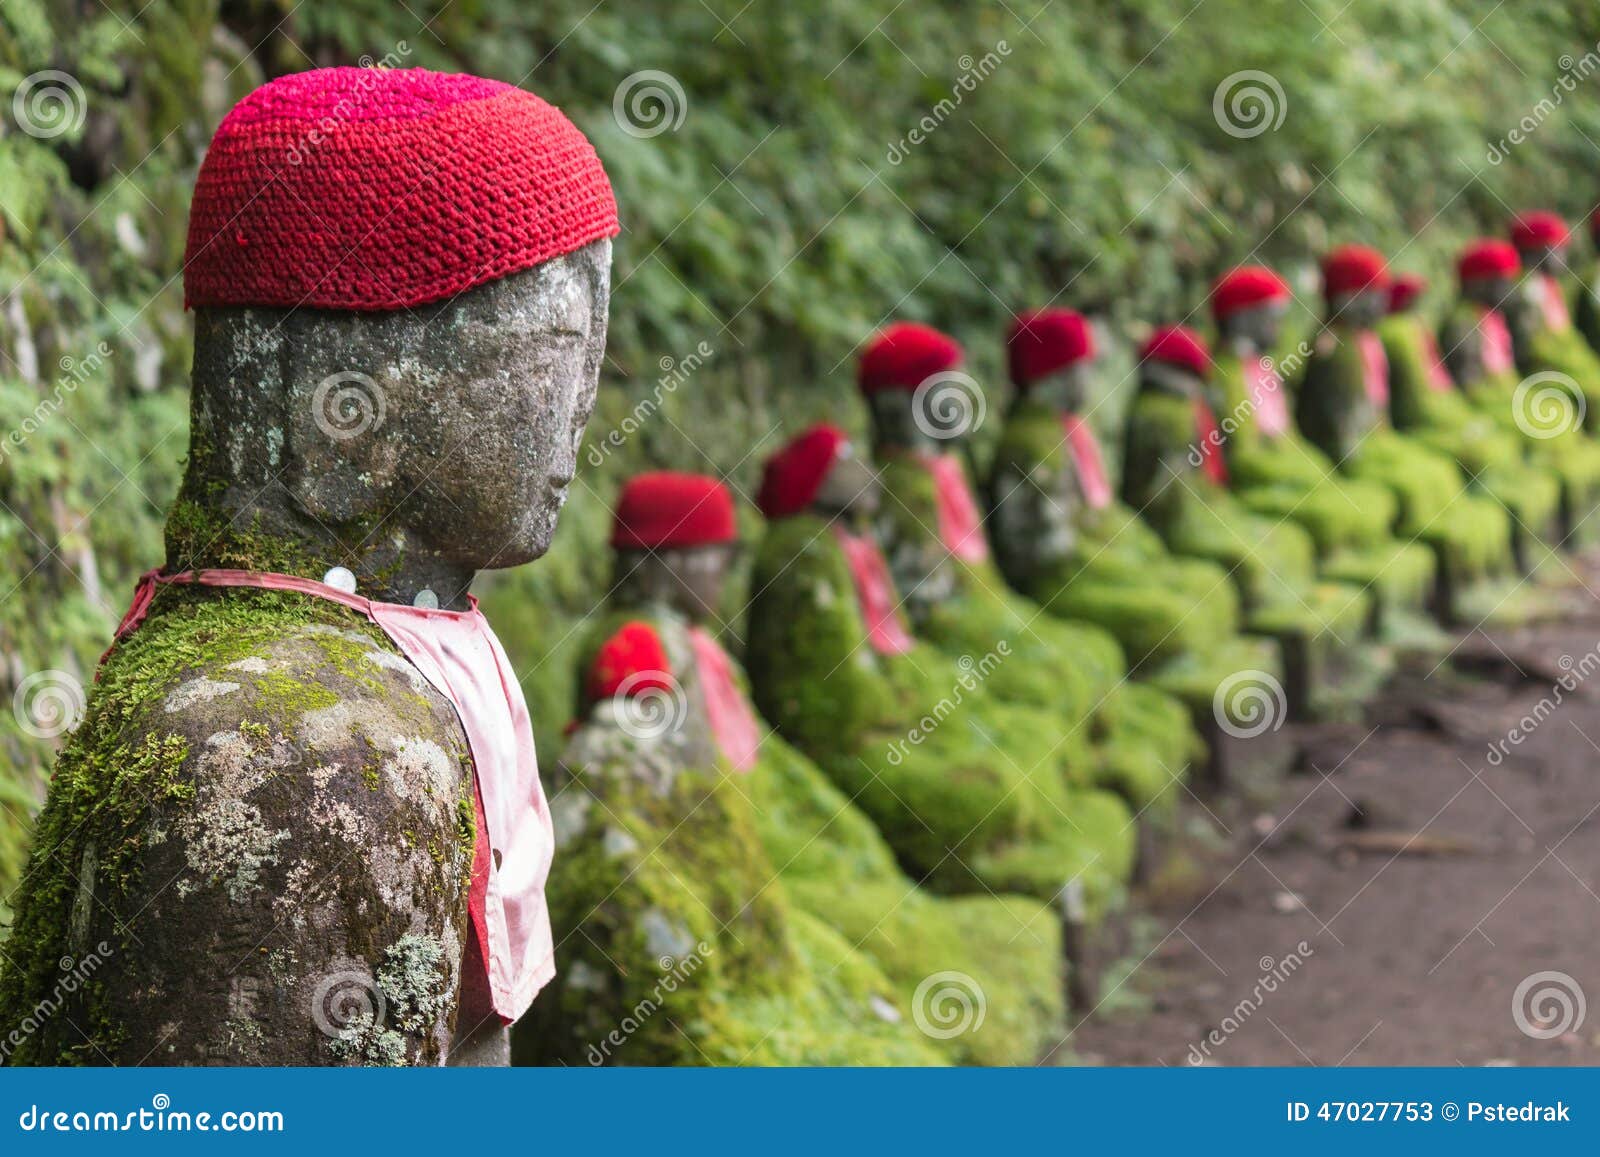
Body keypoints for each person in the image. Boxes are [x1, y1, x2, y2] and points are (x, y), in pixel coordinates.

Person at [0, 67, 620, 1066]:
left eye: (594, 353)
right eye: (553, 348)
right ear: (335, 408)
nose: (581, 403)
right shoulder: (293, 751)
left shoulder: (357, 686)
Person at [521, 472, 1061, 1063]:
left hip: (777, 853)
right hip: (743, 873)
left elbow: (769, 760)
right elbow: (679, 806)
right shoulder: (637, 652)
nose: (722, 580)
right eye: (713, 561)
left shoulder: (694, 643)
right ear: (661, 563)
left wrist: (841, 834)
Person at [858, 321, 1197, 818]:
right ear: (899, 406)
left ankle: (1082, 769)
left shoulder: (948, 473)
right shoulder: (907, 490)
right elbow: (929, 609)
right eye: (947, 389)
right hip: (972, 635)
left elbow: (1073, 534)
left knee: (1093, 653)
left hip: (1003, 612)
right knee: (1068, 674)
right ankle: (1068, 782)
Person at [1122, 325, 1377, 716]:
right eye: (1268, 315)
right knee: (1226, 575)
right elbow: (1175, 498)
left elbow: (1273, 450)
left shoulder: (1221, 390)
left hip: (1213, 510)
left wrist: (1311, 475)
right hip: (1180, 528)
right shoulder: (1165, 416)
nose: (1277, 323)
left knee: (1292, 538)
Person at [1297, 245, 1515, 622]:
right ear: (1348, 299)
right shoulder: (1336, 349)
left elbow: (1390, 417)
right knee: (1420, 481)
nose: (1384, 305)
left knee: (1437, 472)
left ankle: (1463, 584)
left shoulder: (1367, 342)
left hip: (1379, 445)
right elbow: (1345, 439)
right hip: (1349, 459)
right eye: (1374, 296)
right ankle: (1442, 593)